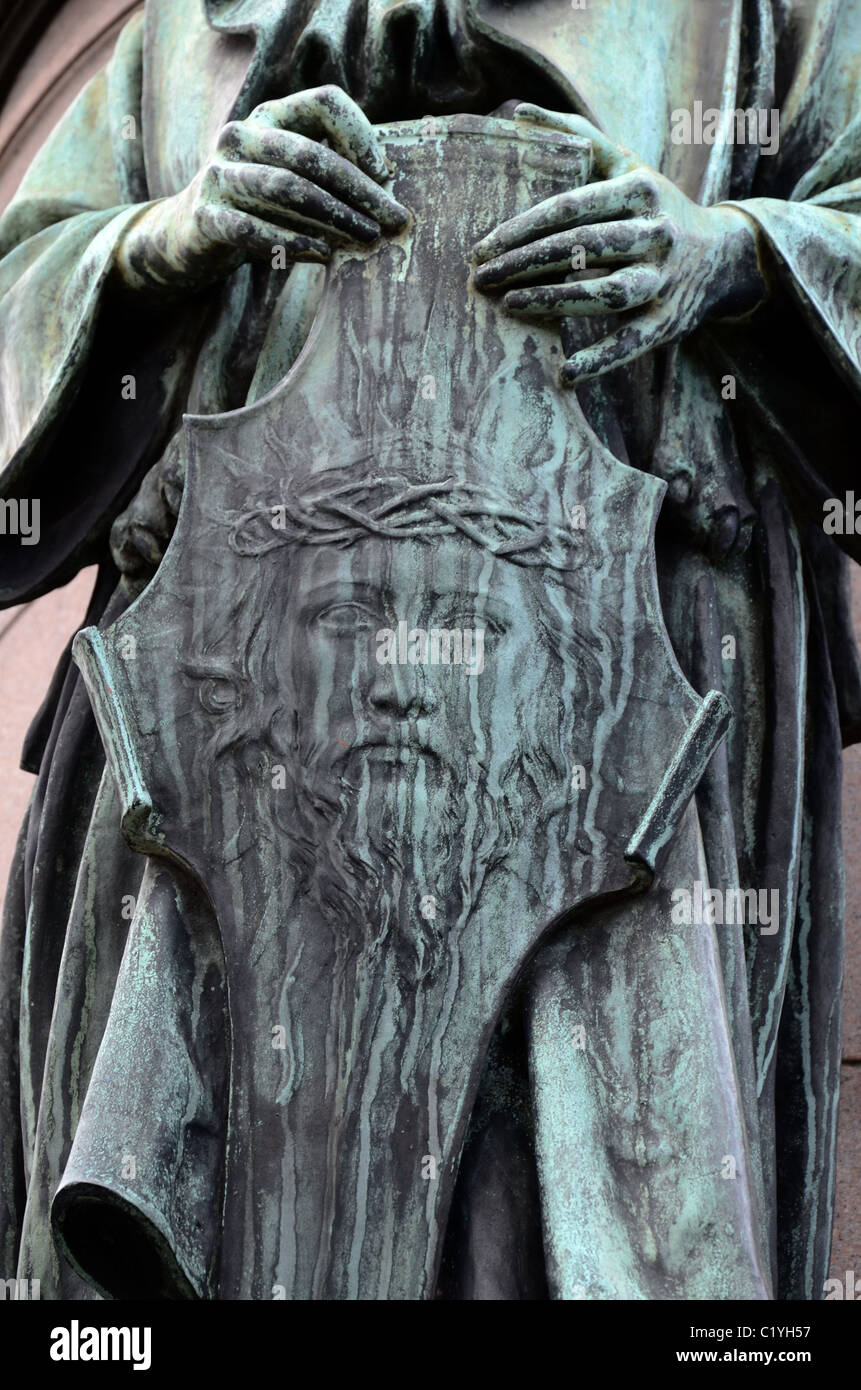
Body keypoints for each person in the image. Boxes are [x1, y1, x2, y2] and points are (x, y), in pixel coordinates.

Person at [1, 0, 860, 1298]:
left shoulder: (768, 18)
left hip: (615, 712)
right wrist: (149, 252)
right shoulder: (178, 34)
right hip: (217, 708)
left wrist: (729, 254)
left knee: (561, 1219)